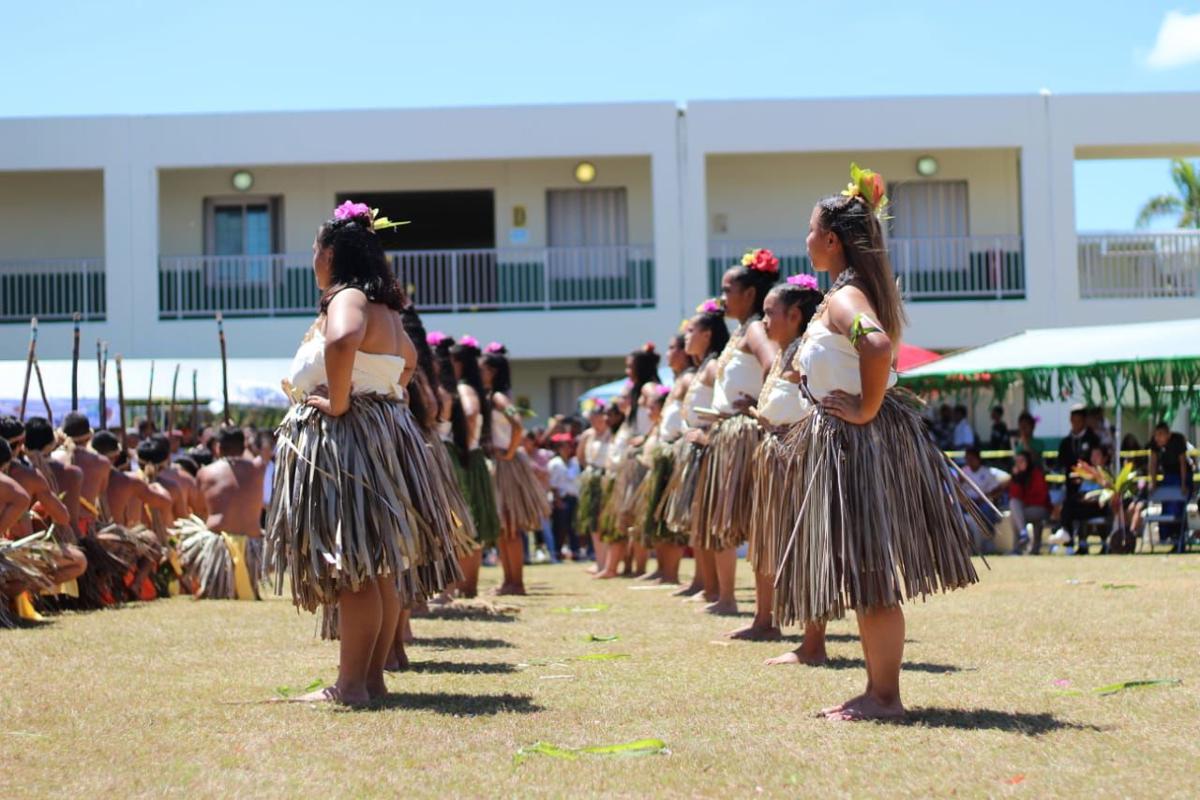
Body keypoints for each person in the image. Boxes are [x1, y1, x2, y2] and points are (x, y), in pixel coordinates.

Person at [769, 166, 984, 720]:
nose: (808, 238)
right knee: (867, 569)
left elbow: (877, 345)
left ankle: (884, 696)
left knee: (869, 570)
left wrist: (863, 409)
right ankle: (877, 690)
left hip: (858, 444)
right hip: (854, 443)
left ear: (833, 240)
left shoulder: (846, 300)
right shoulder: (846, 293)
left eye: (812, 229)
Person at [264, 201, 462, 705]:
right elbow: (408, 364)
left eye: (315, 250)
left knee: (354, 568)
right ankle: (370, 680)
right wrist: (381, 397)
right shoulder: (389, 311)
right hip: (376, 438)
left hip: (348, 441)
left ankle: (351, 685)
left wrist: (341, 400)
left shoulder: (347, 298)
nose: (312, 259)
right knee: (375, 566)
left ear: (331, 253)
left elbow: (343, 339)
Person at [731, 276, 822, 640]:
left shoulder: (806, 354)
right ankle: (764, 619)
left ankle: (812, 637)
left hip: (797, 459)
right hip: (772, 457)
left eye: (770, 314)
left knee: (802, 544)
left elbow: (815, 405)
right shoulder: (785, 353)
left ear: (795, 315)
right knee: (766, 539)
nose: (764, 322)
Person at [691, 250, 780, 616]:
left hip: (745, 435)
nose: (722, 296)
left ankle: (755, 609)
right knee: (723, 518)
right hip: (726, 433)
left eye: (729, 289)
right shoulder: (741, 331)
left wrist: (759, 403)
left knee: (751, 521)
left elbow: (774, 363)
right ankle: (726, 597)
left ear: (749, 294)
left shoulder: (758, 328)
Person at [661, 302, 729, 600]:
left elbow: (726, 404)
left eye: (691, 330)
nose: (686, 336)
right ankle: (705, 585)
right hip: (694, 448)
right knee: (697, 520)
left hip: (709, 447)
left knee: (708, 521)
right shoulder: (702, 367)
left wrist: (709, 433)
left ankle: (717, 590)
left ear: (708, 334)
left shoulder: (714, 365)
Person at [480, 341, 549, 594]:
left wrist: (509, 451)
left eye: (483, 369)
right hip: (500, 462)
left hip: (506, 465)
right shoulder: (492, 396)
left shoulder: (498, 397)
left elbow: (518, 423)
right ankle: (508, 580)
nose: (479, 373)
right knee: (503, 528)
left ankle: (516, 582)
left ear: (493, 372)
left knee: (509, 526)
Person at [440, 334, 499, 596]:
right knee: (470, 524)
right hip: (471, 455)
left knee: (466, 524)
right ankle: (468, 587)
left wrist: (461, 442)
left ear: (459, 364)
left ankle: (465, 586)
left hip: (466, 455)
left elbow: (471, 413)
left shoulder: (464, 389)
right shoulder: (471, 387)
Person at [598, 344, 662, 579]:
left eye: (629, 366)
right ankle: (626, 567)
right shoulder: (637, 393)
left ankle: (638, 568)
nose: (627, 371)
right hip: (633, 457)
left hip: (643, 458)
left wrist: (647, 437)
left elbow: (660, 406)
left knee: (634, 512)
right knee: (628, 514)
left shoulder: (648, 388)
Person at [183, 426, 266, 600]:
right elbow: (261, 452)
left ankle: (210, 584)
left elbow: (199, 508)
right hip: (252, 543)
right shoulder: (259, 469)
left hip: (216, 543)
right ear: (243, 447)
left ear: (218, 447)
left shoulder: (205, 473)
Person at [639, 333, 694, 585]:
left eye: (673, 347)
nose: (668, 352)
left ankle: (672, 573)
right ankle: (663, 570)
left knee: (670, 515)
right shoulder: (676, 379)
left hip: (677, 452)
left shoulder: (689, 378)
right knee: (658, 515)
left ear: (684, 352)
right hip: (665, 451)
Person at [1049, 405, 1101, 553]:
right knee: (1067, 505)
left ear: (1084, 421)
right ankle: (1069, 542)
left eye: (1078, 420)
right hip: (1071, 486)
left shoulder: (1093, 439)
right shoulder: (1066, 442)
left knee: (1072, 507)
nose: (1075, 424)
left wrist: (1085, 475)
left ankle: (1077, 541)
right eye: (1073, 420)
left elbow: (1097, 464)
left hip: (1090, 487)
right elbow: (1060, 463)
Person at [574, 402, 611, 568]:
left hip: (608, 477)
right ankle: (600, 561)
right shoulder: (587, 435)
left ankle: (611, 562)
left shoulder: (612, 433)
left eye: (599, 417)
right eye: (593, 418)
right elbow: (580, 456)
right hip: (592, 477)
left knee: (607, 521)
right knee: (594, 521)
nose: (596, 421)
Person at [1147, 422, 1194, 549]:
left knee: (1177, 508)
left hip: (1182, 477)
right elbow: (1153, 463)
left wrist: (1184, 484)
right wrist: (1153, 482)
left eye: (1161, 435)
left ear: (1168, 434)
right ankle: (1168, 537)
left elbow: (1183, 463)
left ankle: (1180, 539)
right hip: (1168, 477)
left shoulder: (1177, 440)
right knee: (1166, 506)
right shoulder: (1155, 443)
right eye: (1156, 435)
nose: (1157, 438)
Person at [958, 446, 1003, 554]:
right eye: (967, 459)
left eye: (971, 459)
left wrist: (983, 498)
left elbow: (997, 490)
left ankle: (985, 540)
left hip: (983, 504)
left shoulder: (987, 473)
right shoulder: (963, 472)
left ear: (978, 458)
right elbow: (957, 490)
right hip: (966, 504)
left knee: (986, 511)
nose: (969, 462)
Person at [547, 433, 581, 562]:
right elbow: (553, 484)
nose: (567, 449)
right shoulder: (554, 463)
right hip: (561, 498)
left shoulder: (574, 462)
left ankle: (575, 551)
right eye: (564, 446)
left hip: (574, 497)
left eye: (569, 446)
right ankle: (557, 552)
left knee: (574, 527)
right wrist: (557, 500)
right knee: (560, 527)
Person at [1008, 450, 1050, 554]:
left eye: (1022, 461)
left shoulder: (1036, 474)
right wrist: (1016, 479)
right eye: (1017, 461)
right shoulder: (1017, 477)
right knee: (1013, 504)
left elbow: (1041, 498)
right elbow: (1014, 496)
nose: (1019, 464)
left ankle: (1017, 548)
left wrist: (1026, 501)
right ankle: (1023, 534)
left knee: (1016, 515)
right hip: (1026, 509)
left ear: (1028, 462)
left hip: (1040, 508)